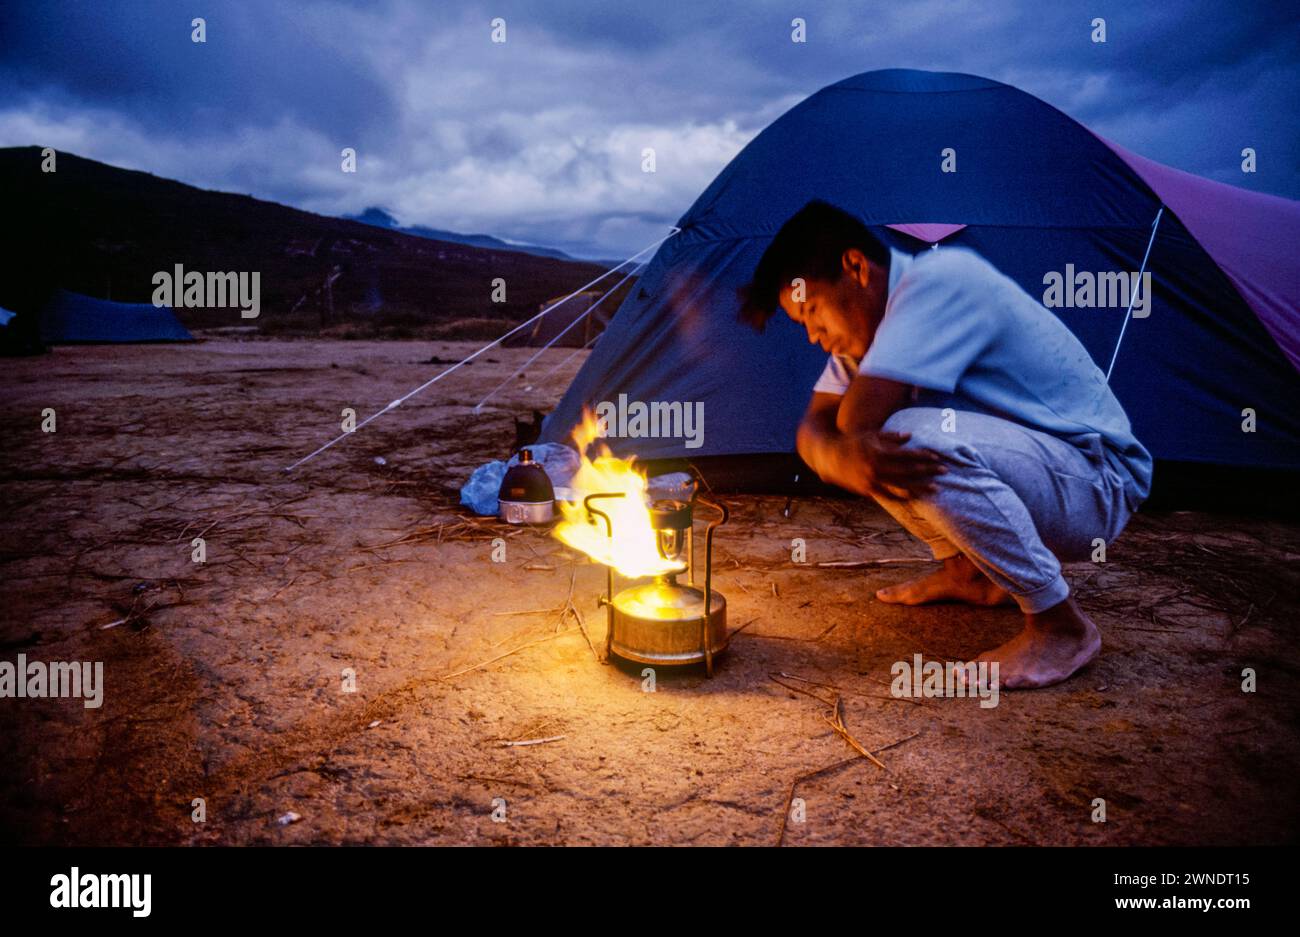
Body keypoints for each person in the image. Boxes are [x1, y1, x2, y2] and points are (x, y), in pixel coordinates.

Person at [739, 200, 1152, 688]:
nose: (812, 335)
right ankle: (968, 573)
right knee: (872, 446)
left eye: (811, 311)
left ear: (855, 268)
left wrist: (837, 452)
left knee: (904, 434)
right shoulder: (872, 334)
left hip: (1096, 481)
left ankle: (1061, 628)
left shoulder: (940, 280)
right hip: (1047, 478)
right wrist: (835, 454)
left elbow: (849, 422)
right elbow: (813, 427)